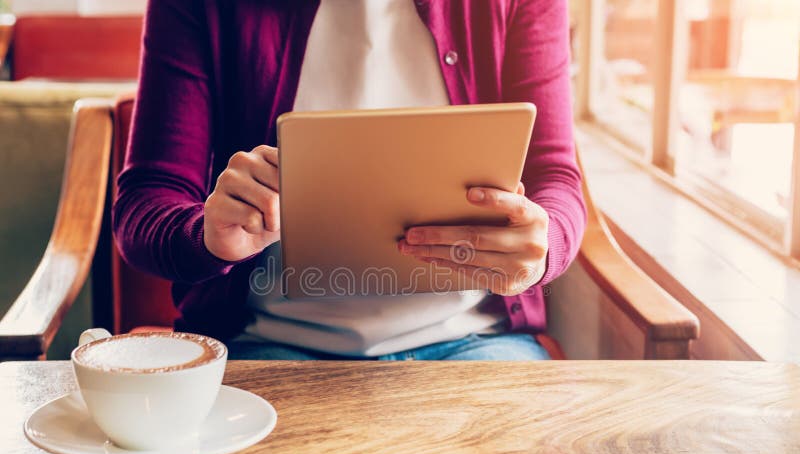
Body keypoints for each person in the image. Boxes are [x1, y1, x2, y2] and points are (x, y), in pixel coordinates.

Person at [113, 0, 587, 361]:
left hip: (473, 341)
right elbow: (144, 205)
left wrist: (544, 245)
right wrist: (207, 234)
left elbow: (556, 176)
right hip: (270, 347)